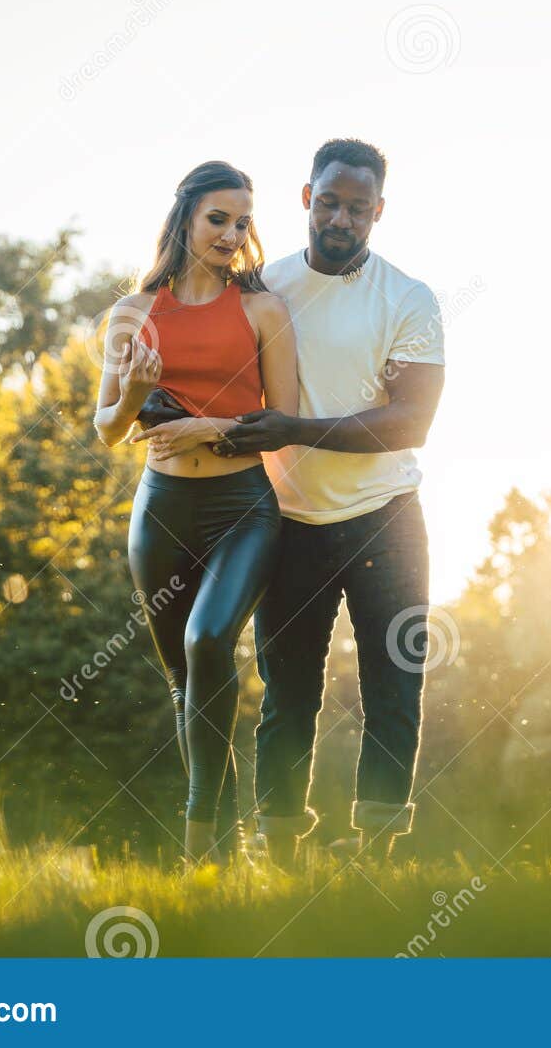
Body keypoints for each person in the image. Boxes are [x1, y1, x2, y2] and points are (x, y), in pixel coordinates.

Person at [169, 139, 446, 867]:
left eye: (358, 208)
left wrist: (293, 429)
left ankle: (380, 851)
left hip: (387, 515)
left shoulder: (408, 297)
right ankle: (280, 849)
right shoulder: (262, 286)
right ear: (306, 199)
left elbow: (409, 423)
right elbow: (203, 358)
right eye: (330, 202)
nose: (342, 218)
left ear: (378, 211)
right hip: (286, 518)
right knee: (289, 691)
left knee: (395, 683)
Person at [93, 160, 299, 865]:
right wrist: (132, 393)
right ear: (185, 217)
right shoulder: (133, 311)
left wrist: (205, 428)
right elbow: (107, 428)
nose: (232, 234)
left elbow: (286, 419)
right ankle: (223, 850)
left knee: (209, 642)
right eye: (219, 219)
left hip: (243, 504)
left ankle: (197, 835)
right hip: (162, 507)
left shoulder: (263, 308)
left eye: (243, 222)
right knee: (188, 678)